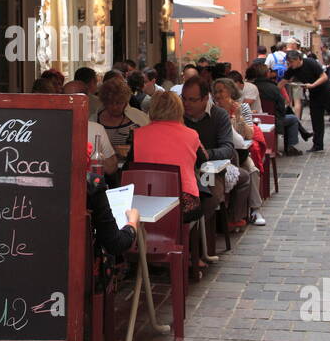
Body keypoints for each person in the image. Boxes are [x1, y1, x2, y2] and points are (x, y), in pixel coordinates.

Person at [180, 74, 254, 231]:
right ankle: (191, 233)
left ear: (205, 99)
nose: (186, 104)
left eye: (192, 100)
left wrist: (207, 154)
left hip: (210, 170)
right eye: (184, 99)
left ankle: (200, 232)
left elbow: (228, 148)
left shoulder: (218, 115)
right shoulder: (178, 115)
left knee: (211, 193)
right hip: (184, 170)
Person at [125, 90, 205, 222]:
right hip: (183, 200)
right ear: (179, 109)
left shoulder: (138, 134)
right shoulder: (191, 134)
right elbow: (203, 161)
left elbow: (128, 169)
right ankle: (193, 241)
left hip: (146, 199)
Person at [211, 77, 266, 226]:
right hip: (221, 152)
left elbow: (248, 135)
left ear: (230, 92)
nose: (217, 95)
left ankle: (255, 210)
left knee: (252, 170)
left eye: (221, 91)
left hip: (240, 151)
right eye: (215, 91)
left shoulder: (243, 108)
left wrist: (237, 116)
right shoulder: (212, 110)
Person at [279, 48, 330, 151]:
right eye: (288, 63)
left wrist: (312, 85)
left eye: (291, 62)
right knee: (316, 119)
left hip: (326, 92)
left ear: (298, 59)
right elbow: (283, 82)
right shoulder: (292, 69)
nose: (290, 65)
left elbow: (324, 77)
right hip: (314, 95)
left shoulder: (310, 62)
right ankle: (318, 145)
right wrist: (274, 90)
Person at [64, 80, 117, 175]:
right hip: (87, 185)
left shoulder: (49, 127)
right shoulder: (96, 129)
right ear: (86, 100)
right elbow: (111, 167)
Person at [250, 63, 301, 155]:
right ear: (267, 74)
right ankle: (290, 146)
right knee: (293, 119)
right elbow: (281, 106)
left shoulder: (251, 87)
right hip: (273, 118)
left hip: (255, 117)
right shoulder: (273, 88)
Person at [95, 73, 146, 153]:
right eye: (110, 103)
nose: (114, 107)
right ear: (104, 102)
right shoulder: (95, 119)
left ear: (126, 102)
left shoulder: (138, 119)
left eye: (119, 103)